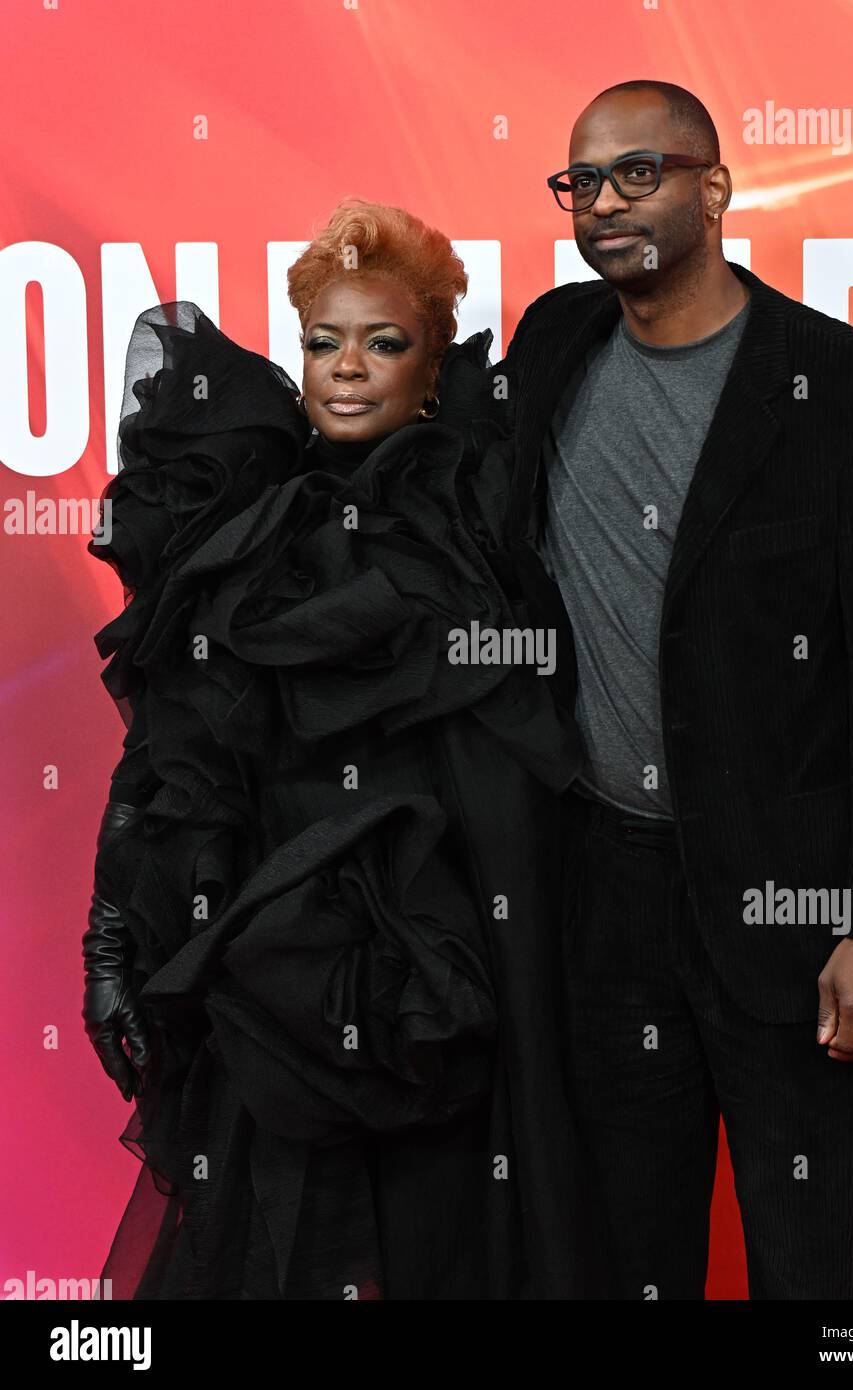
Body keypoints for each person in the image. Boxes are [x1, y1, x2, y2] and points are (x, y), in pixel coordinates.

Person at [83, 198, 601, 1299]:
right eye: (324, 342)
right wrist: (109, 936)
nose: (349, 370)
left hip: (445, 956)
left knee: (440, 1230)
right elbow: (173, 748)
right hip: (270, 944)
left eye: (384, 343)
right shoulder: (242, 517)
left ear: (431, 364)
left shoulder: (481, 513)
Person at [494, 81, 853, 1299]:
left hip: (792, 906)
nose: (603, 204)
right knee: (627, 1259)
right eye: (580, 182)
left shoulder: (851, 394)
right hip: (603, 900)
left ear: (714, 187)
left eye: (635, 173)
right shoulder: (550, 344)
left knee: (814, 1270)